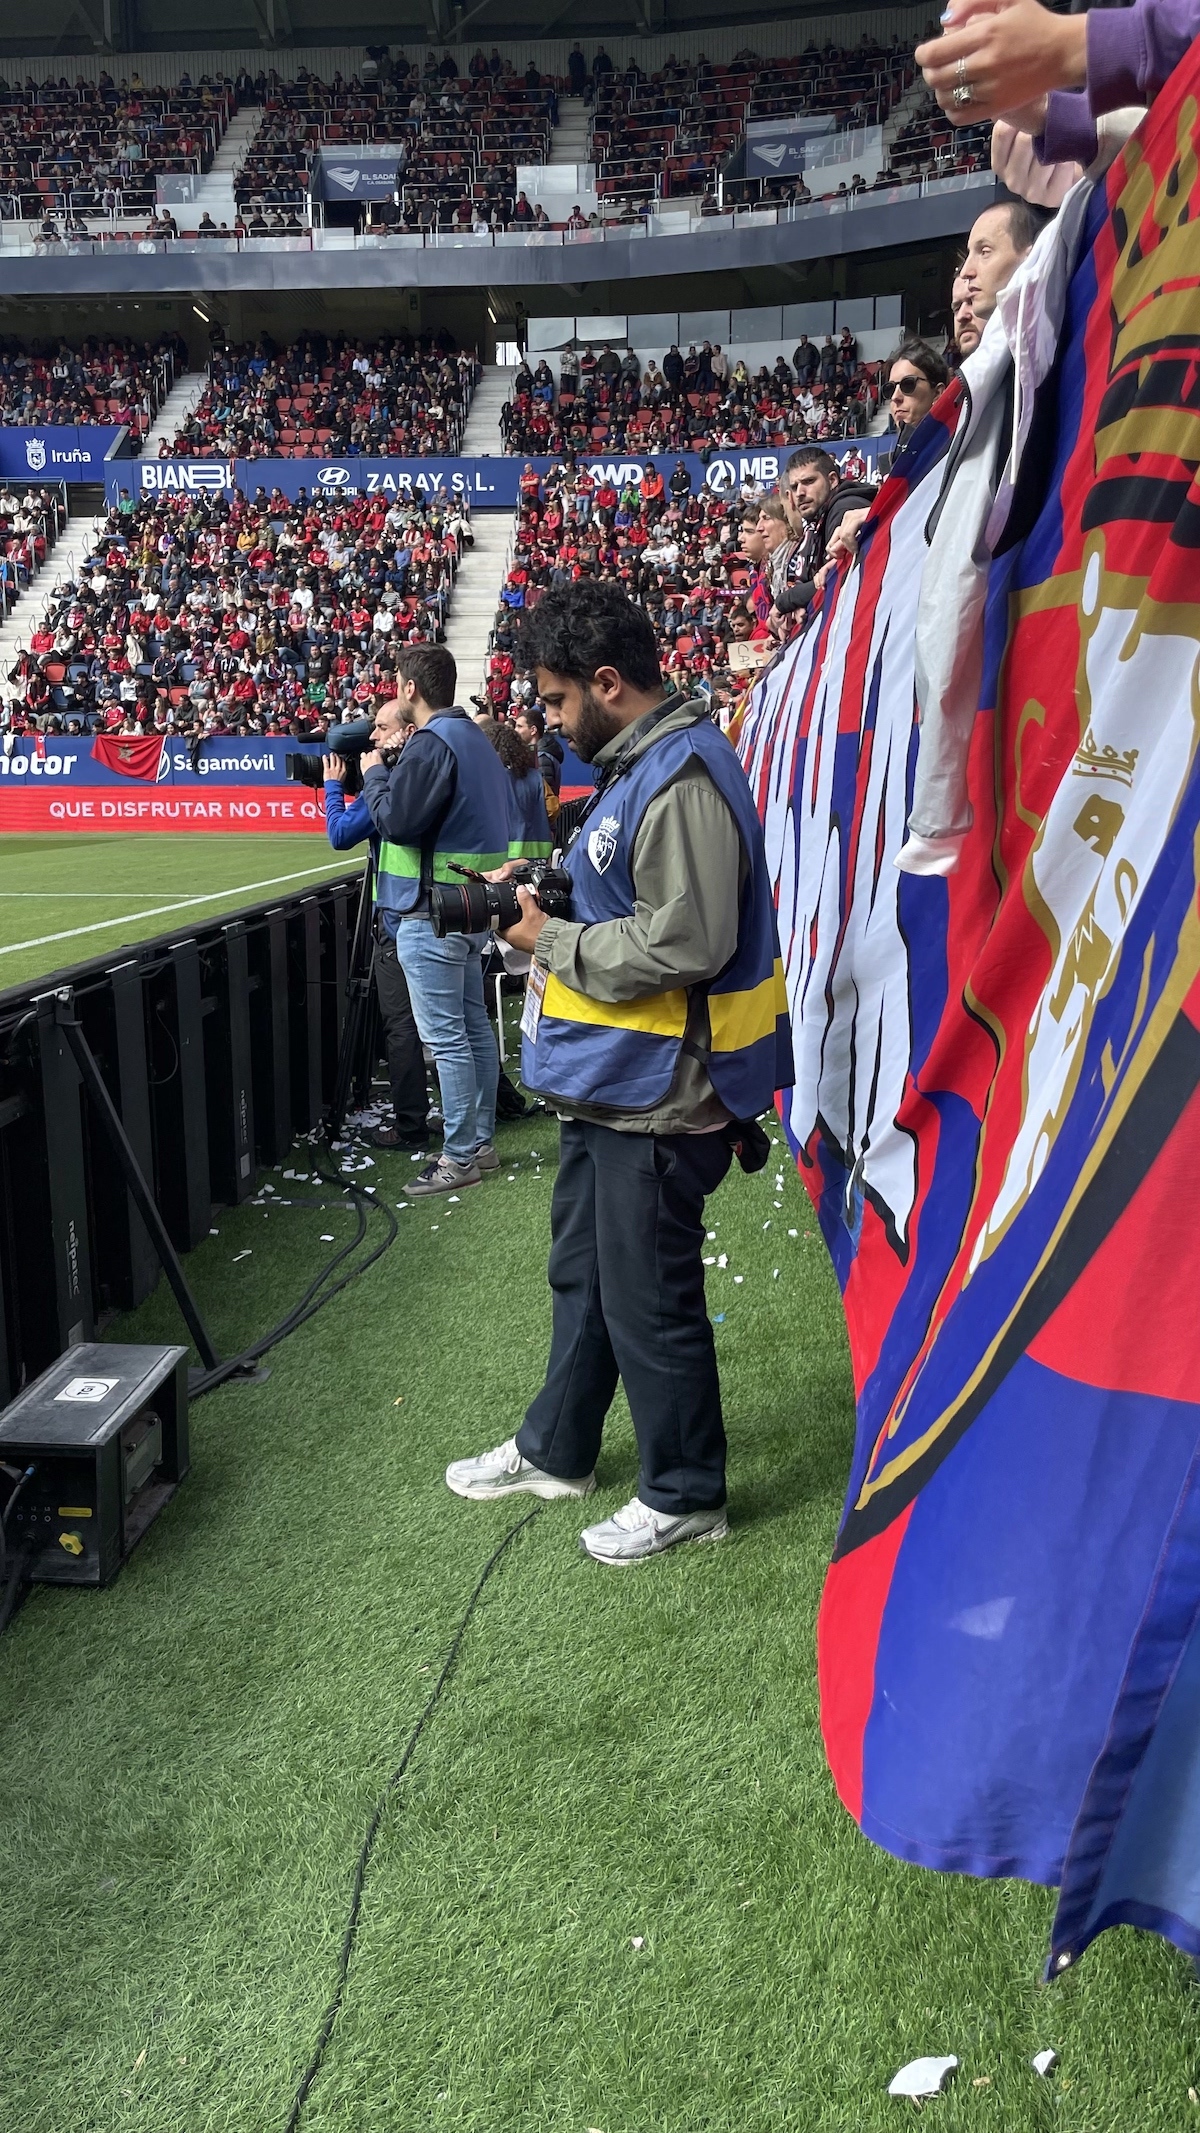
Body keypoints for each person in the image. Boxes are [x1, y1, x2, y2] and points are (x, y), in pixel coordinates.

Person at [444, 582, 794, 1565]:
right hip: (615, 1083)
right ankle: (557, 1448)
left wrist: (548, 935)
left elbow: (686, 940)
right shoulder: (645, 763)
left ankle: (685, 1492)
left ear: (608, 683)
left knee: (651, 1298)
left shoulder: (679, 771)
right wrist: (550, 900)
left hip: (666, 1093)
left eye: (557, 701)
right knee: (585, 1278)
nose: (552, 721)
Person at [360, 646, 511, 1197]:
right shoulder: (475, 738)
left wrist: (376, 776)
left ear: (409, 689)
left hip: (433, 912)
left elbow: (398, 822)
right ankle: (481, 1142)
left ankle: (460, 1155)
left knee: (447, 1037)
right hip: (471, 906)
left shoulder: (432, 743)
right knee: (472, 1027)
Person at [323, 710, 432, 1152]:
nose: (373, 736)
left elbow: (341, 833)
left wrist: (333, 786)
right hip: (428, 910)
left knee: (402, 1027)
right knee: (456, 1023)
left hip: (399, 916)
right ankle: (481, 1115)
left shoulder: (389, 782)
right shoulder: (422, 772)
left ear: (406, 732)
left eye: (381, 729)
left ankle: (410, 1126)